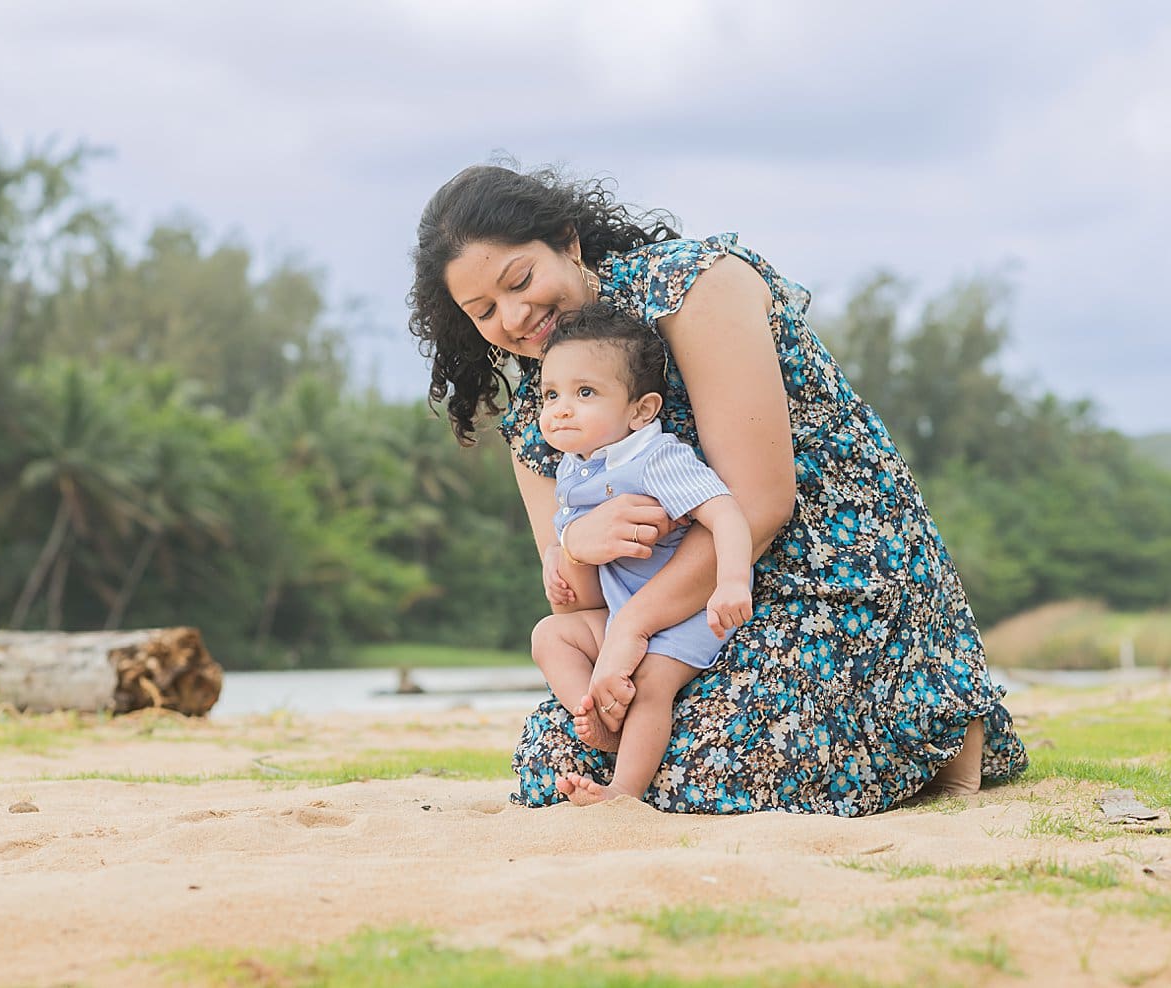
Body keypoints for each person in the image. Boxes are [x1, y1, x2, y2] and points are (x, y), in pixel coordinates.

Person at [408, 163, 1028, 815]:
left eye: (520, 281)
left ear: (568, 242)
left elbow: (761, 506)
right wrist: (578, 546)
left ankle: (939, 717)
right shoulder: (539, 422)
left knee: (720, 765)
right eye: (484, 311)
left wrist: (633, 629)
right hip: (674, 616)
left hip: (820, 568)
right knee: (556, 763)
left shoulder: (691, 287)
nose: (514, 315)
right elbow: (576, 604)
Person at [530, 302, 754, 805]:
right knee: (549, 636)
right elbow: (570, 539)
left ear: (640, 410)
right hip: (619, 611)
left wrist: (732, 581)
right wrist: (555, 556)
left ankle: (624, 791)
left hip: (683, 612)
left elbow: (726, 512)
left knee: (652, 680)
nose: (561, 408)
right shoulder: (573, 466)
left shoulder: (655, 457)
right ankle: (597, 713)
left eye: (585, 393)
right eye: (551, 394)